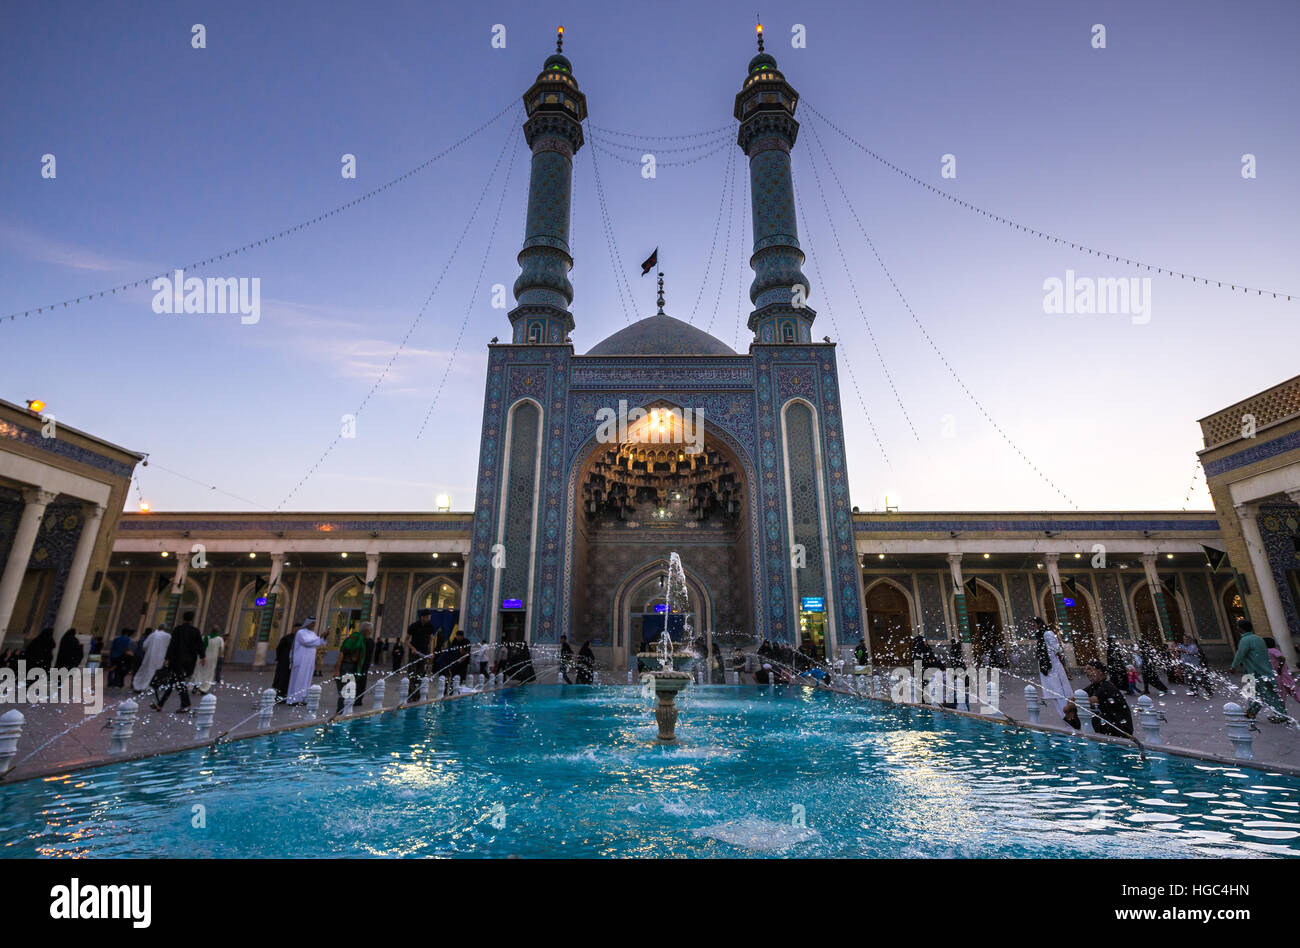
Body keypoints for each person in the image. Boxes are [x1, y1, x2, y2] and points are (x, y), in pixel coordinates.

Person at [1231, 619, 1285, 722]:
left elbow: (1240, 654)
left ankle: (1281, 716)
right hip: (1265, 670)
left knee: (1263, 694)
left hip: (1254, 671)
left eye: (1238, 627)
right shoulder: (1259, 638)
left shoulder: (1245, 640)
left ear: (1241, 628)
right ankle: (1252, 712)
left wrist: (1233, 666)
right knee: (1261, 693)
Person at [154, 613, 203, 712]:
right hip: (189, 662)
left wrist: (167, 658)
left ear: (182, 618)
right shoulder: (195, 631)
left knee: (179, 683)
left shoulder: (178, 630)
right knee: (173, 682)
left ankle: (186, 705)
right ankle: (160, 705)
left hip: (177, 661)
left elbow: (172, 645)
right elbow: (200, 645)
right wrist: (203, 656)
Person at [1031, 617, 1073, 720]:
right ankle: (1063, 717)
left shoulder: (1047, 634)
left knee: (1058, 692)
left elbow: (1056, 649)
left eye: (1034, 624)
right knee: (1053, 693)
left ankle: (1066, 715)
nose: (1033, 626)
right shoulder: (1040, 635)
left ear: (1039, 623)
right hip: (1047, 667)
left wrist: (1051, 661)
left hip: (1052, 667)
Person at [1082, 659, 1134, 738]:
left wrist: (1073, 704)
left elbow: (1091, 701)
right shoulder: (1093, 686)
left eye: (1089, 669)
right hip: (1109, 724)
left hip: (1120, 728)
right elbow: (1076, 696)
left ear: (1099, 672)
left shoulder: (1107, 686)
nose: (1085, 671)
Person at [287, 617, 326, 705]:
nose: (313, 625)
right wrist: (320, 636)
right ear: (307, 623)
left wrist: (324, 637)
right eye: (312, 623)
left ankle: (302, 698)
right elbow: (306, 642)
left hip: (309, 661)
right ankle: (293, 699)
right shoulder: (301, 632)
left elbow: (318, 642)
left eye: (314, 623)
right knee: (298, 680)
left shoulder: (312, 633)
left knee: (306, 679)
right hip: (300, 660)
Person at [334, 621, 367, 712]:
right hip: (346, 666)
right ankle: (340, 710)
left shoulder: (361, 641)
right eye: (369, 631)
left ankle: (346, 710)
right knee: (344, 689)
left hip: (352, 667)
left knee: (349, 689)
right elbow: (341, 654)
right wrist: (337, 670)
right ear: (366, 631)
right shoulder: (353, 639)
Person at [405, 610, 435, 700]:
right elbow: (406, 640)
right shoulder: (413, 626)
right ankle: (411, 694)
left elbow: (431, 639)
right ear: (422, 617)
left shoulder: (430, 626)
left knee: (421, 673)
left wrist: (431, 652)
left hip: (424, 653)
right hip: (414, 653)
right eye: (427, 617)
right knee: (412, 673)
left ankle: (419, 694)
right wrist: (412, 648)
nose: (428, 619)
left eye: (429, 618)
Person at [132, 627, 170, 696]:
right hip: (160, 658)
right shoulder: (167, 636)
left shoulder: (152, 635)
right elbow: (169, 647)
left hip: (149, 657)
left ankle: (139, 686)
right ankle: (149, 687)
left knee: (144, 671)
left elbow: (145, 646)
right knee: (155, 672)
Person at [1267, 637, 1300, 708]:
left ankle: (1280, 712)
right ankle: (1281, 713)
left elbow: (1282, 658)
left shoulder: (1272, 650)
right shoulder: (1268, 651)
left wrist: (1279, 668)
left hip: (1283, 675)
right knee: (1282, 694)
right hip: (1278, 676)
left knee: (1292, 690)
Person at [1177, 634, 1213, 698]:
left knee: (1199, 679)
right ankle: (1194, 692)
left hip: (1194, 666)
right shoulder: (1182, 646)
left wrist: (1182, 650)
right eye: (1184, 639)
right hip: (1186, 666)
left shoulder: (1193, 646)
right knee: (1190, 680)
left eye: (1187, 639)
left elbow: (1190, 652)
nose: (1185, 641)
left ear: (1190, 640)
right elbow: (1175, 649)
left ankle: (1209, 691)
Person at [192, 626, 224, 695]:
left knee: (200, 672)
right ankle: (203, 689)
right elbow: (221, 650)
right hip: (212, 659)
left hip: (202, 658)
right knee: (209, 674)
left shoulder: (205, 637)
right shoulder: (219, 639)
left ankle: (196, 685)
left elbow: (200, 647)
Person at [272, 628, 295, 701]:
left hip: (290, 663)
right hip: (284, 661)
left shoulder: (297, 639)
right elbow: (279, 648)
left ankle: (284, 694)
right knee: (281, 679)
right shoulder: (287, 638)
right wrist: (278, 658)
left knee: (287, 679)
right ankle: (278, 695)